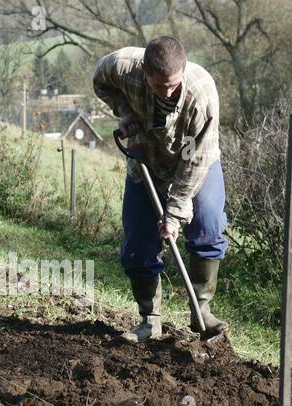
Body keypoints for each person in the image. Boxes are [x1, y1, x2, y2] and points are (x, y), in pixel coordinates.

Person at [93, 36, 229, 343]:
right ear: (144, 71)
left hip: (194, 159)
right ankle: (149, 320)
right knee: (138, 241)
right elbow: (100, 82)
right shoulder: (122, 66)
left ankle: (201, 311)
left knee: (208, 224)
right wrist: (125, 113)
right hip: (147, 161)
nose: (167, 92)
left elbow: (196, 160)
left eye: (173, 85)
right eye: (159, 86)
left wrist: (174, 214)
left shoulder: (202, 94)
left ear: (183, 69)